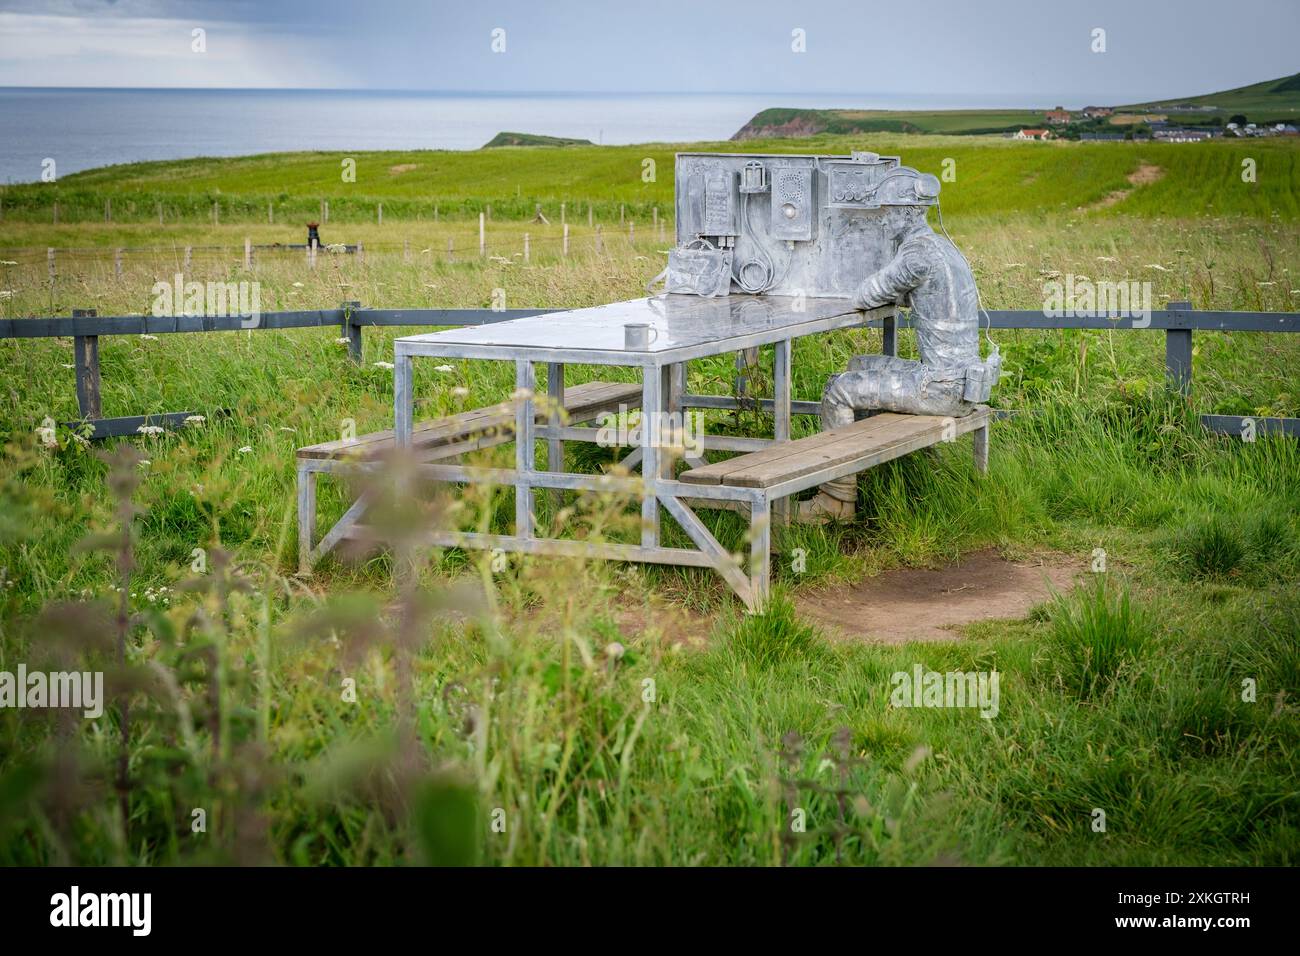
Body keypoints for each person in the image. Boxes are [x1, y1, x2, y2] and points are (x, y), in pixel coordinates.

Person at [796, 199, 999, 523]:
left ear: (907, 214)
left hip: (940, 390)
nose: (882, 222)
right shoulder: (941, 246)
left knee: (838, 389)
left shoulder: (917, 253)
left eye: (887, 214)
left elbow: (866, 295)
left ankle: (835, 501)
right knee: (860, 365)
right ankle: (861, 472)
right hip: (963, 382)